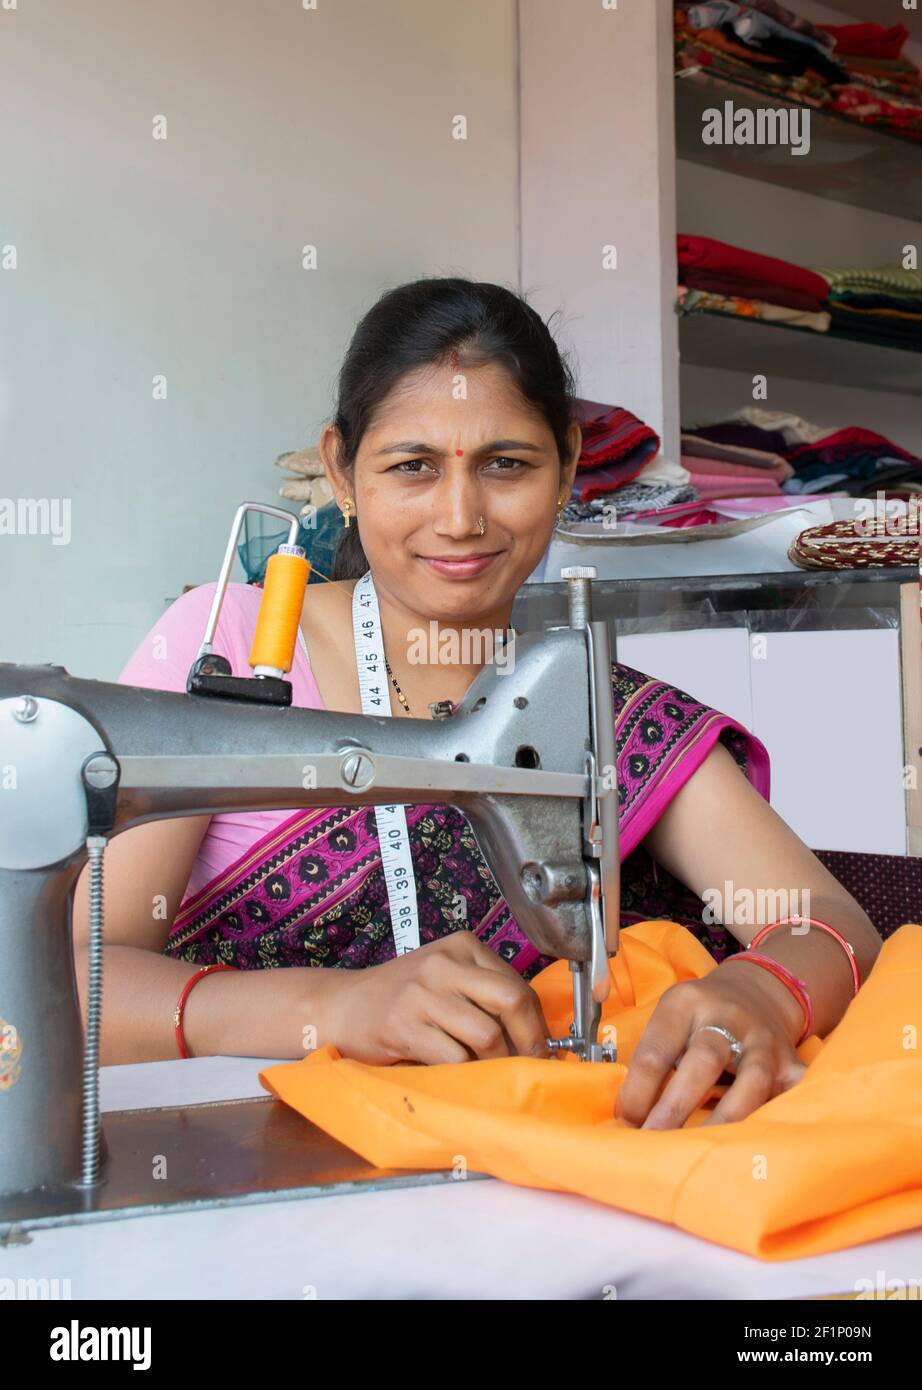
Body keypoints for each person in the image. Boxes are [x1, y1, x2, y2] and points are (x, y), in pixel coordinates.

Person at [72, 276, 881, 1129]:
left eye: (506, 465)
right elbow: (73, 977)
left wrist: (758, 988)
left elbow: (826, 921)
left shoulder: (601, 714)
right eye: (412, 467)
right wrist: (335, 1008)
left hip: (511, 1177)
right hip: (243, 1152)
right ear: (343, 471)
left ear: (568, 465)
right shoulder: (226, 650)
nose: (460, 518)